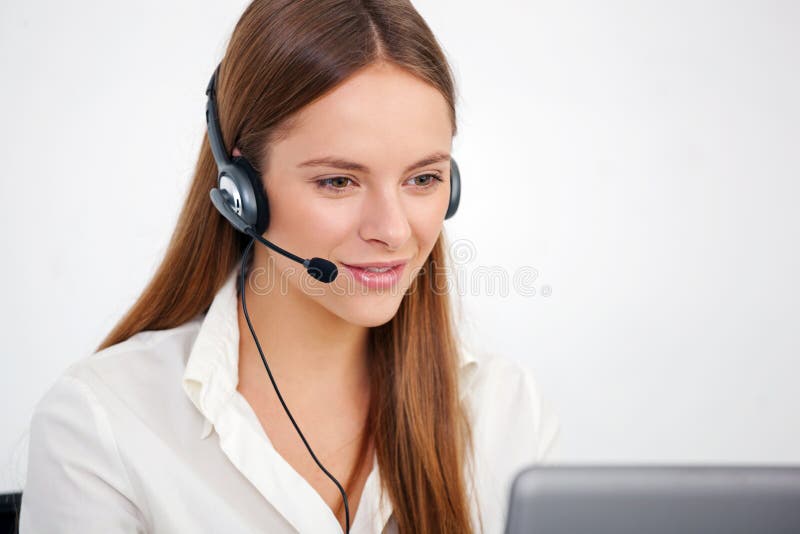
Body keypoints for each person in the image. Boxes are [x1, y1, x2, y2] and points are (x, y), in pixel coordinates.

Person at [19, 1, 560, 533]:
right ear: (243, 192)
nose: (393, 231)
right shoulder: (104, 425)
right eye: (337, 181)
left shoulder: (504, 411)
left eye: (422, 179)